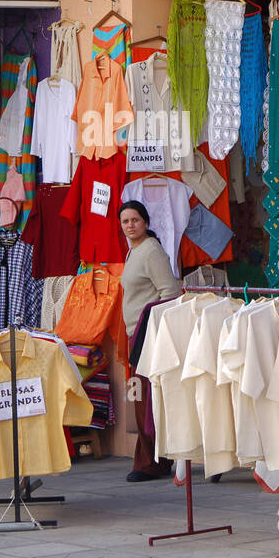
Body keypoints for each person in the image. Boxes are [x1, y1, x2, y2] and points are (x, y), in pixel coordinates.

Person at [119, 201, 181, 482]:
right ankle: (153, 458)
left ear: (145, 222)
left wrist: (154, 331)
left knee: (146, 401)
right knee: (142, 398)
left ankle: (152, 463)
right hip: (137, 334)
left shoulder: (151, 252)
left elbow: (169, 292)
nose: (130, 225)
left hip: (149, 335)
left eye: (135, 220)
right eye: (125, 221)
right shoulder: (135, 252)